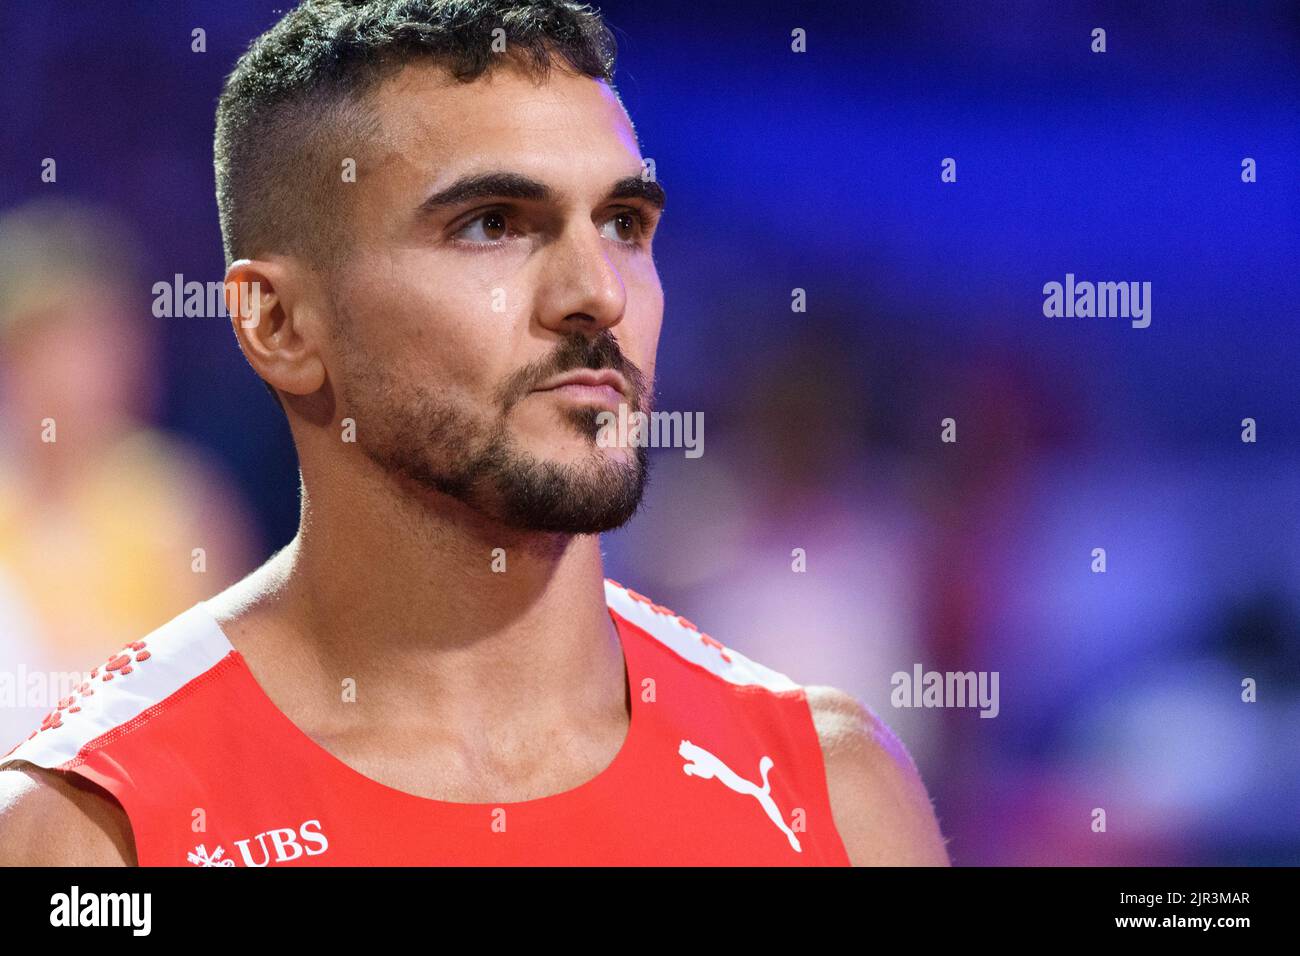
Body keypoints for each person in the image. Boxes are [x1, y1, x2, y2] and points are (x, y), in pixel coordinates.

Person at [0, 0, 949, 866]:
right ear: (279, 324)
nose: (599, 293)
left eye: (622, 223)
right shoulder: (89, 832)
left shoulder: (833, 797)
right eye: (494, 224)